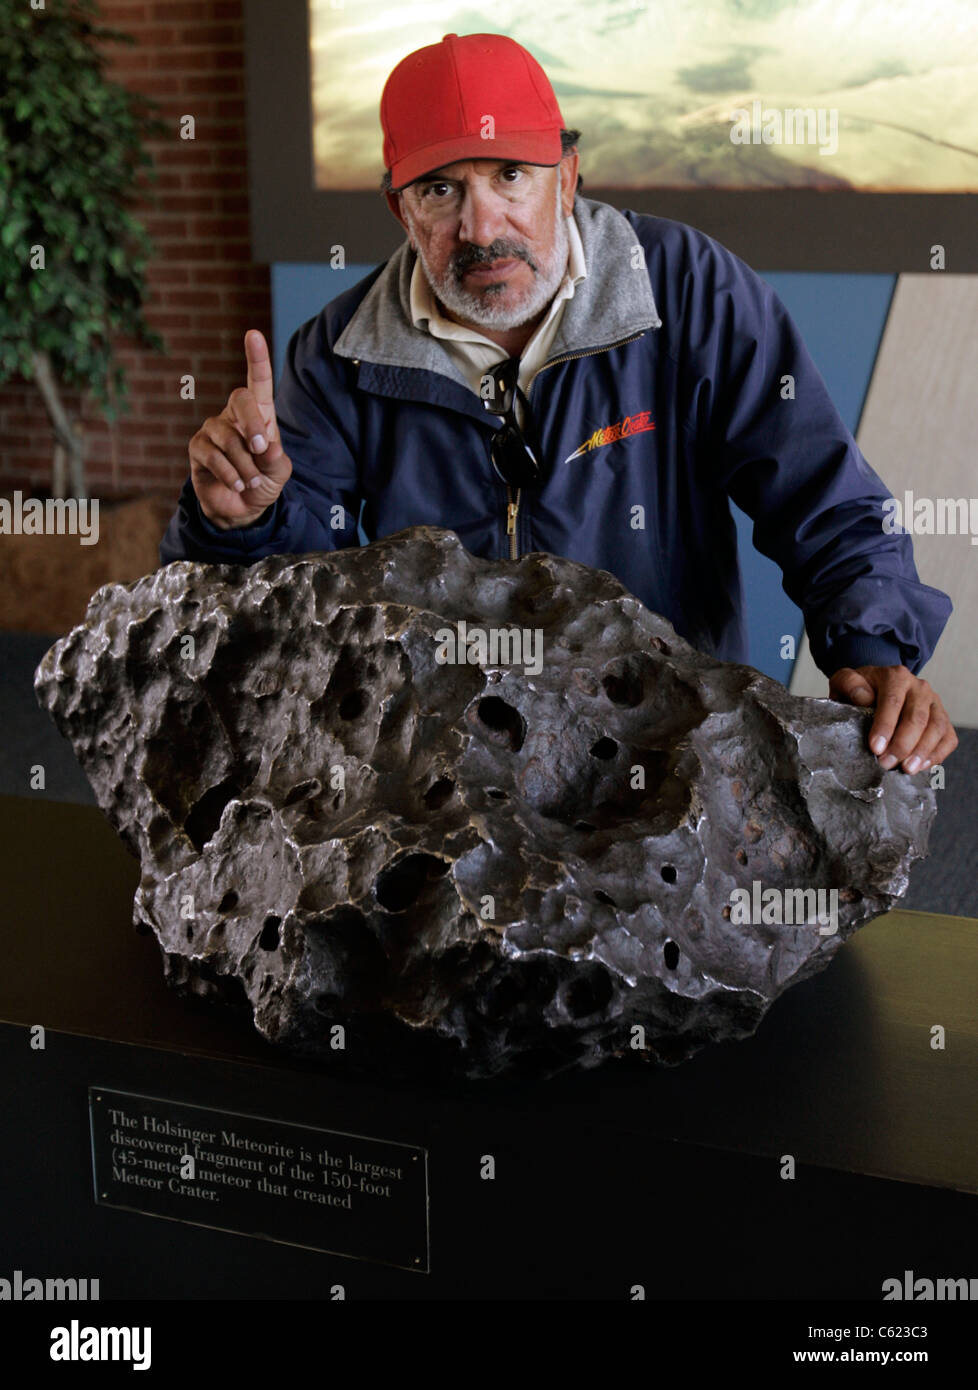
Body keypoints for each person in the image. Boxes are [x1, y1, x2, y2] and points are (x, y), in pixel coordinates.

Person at [160, 31, 958, 775]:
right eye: (440, 190)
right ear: (399, 210)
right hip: (448, 769)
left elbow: (818, 485)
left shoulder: (687, 290)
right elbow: (293, 596)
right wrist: (241, 521)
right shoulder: (338, 355)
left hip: (673, 756)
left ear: (567, 177)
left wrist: (873, 650)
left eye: (511, 175)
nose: (482, 227)